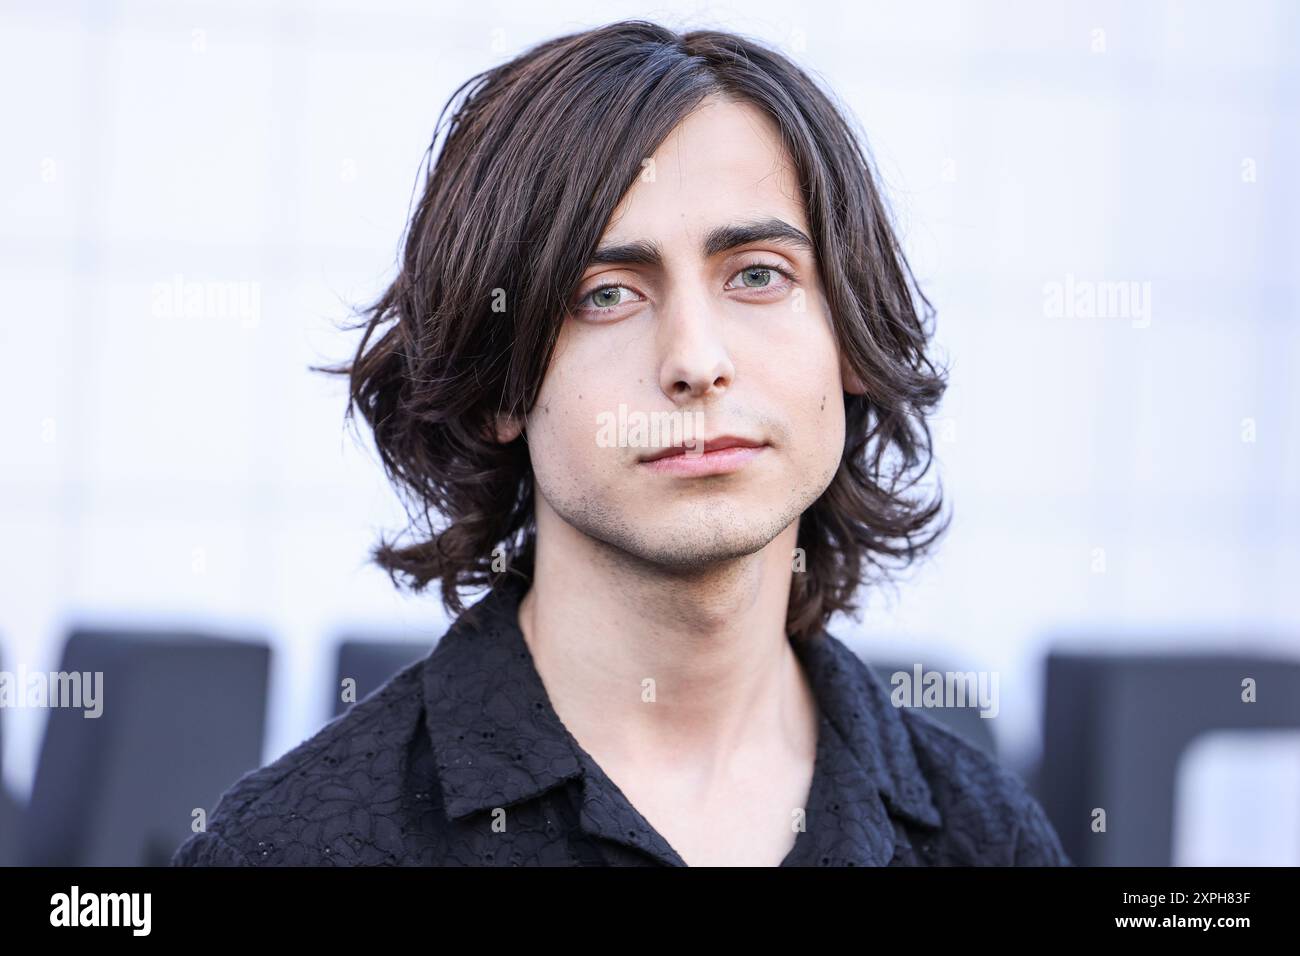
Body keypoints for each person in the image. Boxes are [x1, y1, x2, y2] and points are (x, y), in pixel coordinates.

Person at [171, 19, 1070, 867]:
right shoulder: (294, 846)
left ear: (851, 344)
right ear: (500, 389)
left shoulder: (987, 838)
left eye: (758, 276)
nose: (695, 361)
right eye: (606, 293)